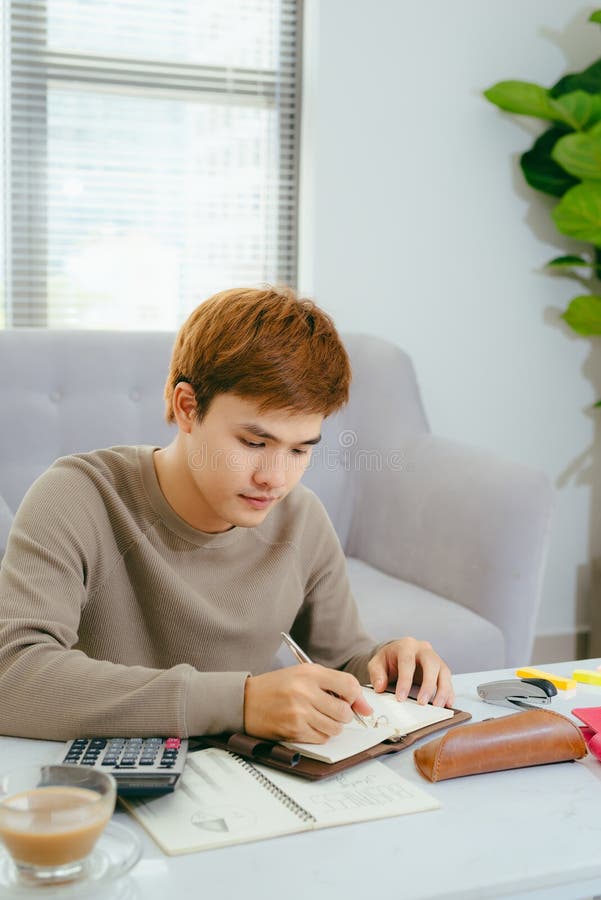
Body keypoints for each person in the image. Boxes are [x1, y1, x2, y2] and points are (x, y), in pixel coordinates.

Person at [0, 286, 453, 742]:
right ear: (187, 407)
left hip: (245, 775)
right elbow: (11, 676)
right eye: (254, 443)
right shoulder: (79, 497)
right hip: (103, 776)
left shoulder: (302, 520)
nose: (275, 478)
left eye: (299, 450)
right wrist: (241, 702)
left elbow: (341, 661)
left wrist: (387, 665)